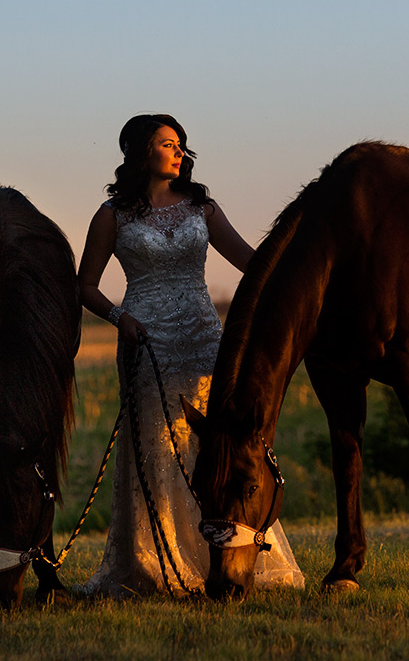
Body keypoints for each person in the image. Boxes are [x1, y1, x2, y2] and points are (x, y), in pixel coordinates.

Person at [77, 114, 304, 597]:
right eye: (167, 144)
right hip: (145, 341)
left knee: (216, 448)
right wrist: (121, 319)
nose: (179, 152)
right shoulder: (113, 215)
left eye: (181, 145)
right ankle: (163, 563)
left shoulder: (202, 207)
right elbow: (85, 286)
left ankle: (226, 556)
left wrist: (302, 255)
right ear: (142, 153)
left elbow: (251, 261)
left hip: (205, 341)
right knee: (156, 449)